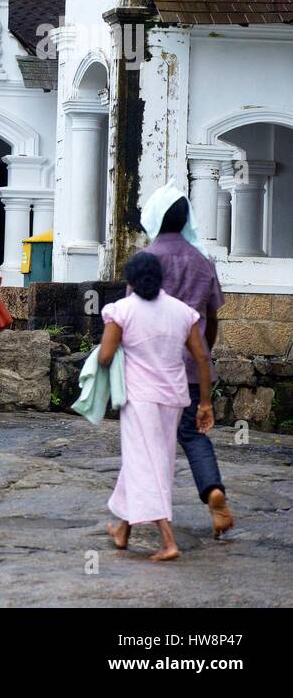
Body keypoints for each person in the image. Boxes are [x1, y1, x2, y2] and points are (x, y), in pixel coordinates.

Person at [101, 251, 214, 562]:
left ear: (130, 282)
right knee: (151, 460)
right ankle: (124, 530)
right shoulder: (182, 312)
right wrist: (205, 403)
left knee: (145, 463)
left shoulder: (122, 310)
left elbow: (105, 357)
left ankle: (168, 540)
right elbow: (202, 358)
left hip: (140, 398)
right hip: (174, 398)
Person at [141, 186, 234, 538]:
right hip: (194, 367)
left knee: (149, 440)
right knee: (194, 435)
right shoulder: (202, 260)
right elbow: (211, 318)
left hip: (153, 366)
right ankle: (213, 490)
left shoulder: (147, 260)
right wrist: (202, 356)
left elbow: (132, 317)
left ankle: (143, 514)